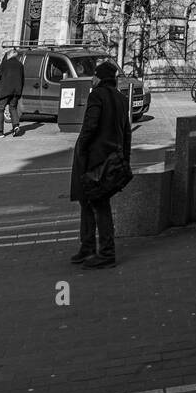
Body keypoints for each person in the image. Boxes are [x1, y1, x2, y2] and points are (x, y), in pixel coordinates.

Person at [69, 61, 131, 269]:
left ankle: (106, 252)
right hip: (113, 158)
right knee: (88, 201)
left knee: (99, 204)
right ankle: (87, 246)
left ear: (99, 77)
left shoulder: (97, 95)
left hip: (95, 158)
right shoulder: (122, 99)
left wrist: (82, 150)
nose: (92, 79)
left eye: (94, 75)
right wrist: (125, 160)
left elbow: (90, 126)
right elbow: (127, 133)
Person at [0, 49, 25, 137]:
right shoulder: (20, 65)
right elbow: (23, 80)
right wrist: (19, 92)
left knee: (0, 109)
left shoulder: (4, 64)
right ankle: (16, 126)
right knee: (13, 108)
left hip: (4, 90)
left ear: (9, 55)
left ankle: (0, 132)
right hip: (16, 91)